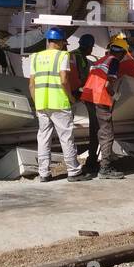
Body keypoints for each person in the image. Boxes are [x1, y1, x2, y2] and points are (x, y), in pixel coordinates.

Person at [30, 27, 84, 182]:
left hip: (41, 104)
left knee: (43, 138)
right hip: (59, 102)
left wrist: (37, 102)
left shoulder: (35, 57)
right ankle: (73, 171)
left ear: (48, 41)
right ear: (60, 42)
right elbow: (64, 80)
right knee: (66, 137)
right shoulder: (62, 56)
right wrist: (71, 98)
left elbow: (31, 85)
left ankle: (44, 173)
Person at [79, 35, 131, 180]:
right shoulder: (114, 61)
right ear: (121, 53)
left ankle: (91, 163)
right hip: (99, 98)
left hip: (89, 97)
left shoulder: (101, 60)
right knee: (107, 133)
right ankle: (105, 168)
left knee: (95, 131)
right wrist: (114, 95)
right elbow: (108, 85)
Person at [67, 34, 102, 176]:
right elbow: (82, 78)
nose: (91, 50)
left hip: (67, 94)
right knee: (94, 126)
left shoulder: (71, 54)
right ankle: (91, 161)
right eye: (91, 47)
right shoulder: (80, 58)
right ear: (88, 47)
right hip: (78, 94)